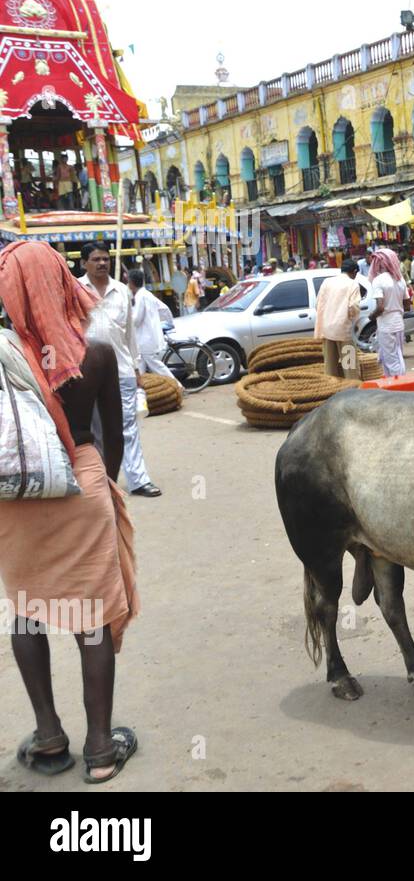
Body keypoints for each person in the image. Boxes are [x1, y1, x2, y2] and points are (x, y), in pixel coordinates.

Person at [0, 240, 141, 783]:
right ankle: (102, 750)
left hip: (17, 497)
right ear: (63, 282)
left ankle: (51, 739)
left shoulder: (6, 351)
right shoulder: (98, 352)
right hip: (81, 483)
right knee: (91, 619)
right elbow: (116, 440)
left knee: (27, 612)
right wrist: (97, 486)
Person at [79, 244, 161, 498]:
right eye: (96, 259)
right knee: (95, 430)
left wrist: (136, 368)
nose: (102, 263)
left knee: (127, 426)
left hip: (122, 369)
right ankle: (102, 480)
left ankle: (138, 480)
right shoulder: (75, 290)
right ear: (84, 263)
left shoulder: (122, 292)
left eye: (105, 259)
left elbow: (129, 333)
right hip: (87, 370)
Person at [127, 270, 176, 387]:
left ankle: (177, 385)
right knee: (139, 365)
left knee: (155, 365)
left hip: (146, 338)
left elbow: (136, 319)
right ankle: (138, 390)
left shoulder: (140, 297)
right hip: (146, 337)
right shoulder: (146, 294)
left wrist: (125, 323)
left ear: (131, 283)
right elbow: (164, 309)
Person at [315, 259, 362, 380]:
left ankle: (333, 394)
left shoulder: (327, 282)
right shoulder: (352, 284)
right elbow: (353, 307)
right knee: (349, 367)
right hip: (344, 332)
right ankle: (353, 392)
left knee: (330, 368)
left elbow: (318, 304)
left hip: (326, 330)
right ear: (354, 271)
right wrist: (354, 322)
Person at [367, 247, 407, 378]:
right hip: (399, 324)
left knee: (391, 361)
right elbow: (407, 304)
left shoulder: (378, 280)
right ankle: (400, 384)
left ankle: (398, 388)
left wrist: (371, 317)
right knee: (398, 356)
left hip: (386, 326)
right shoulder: (400, 279)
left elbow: (380, 307)